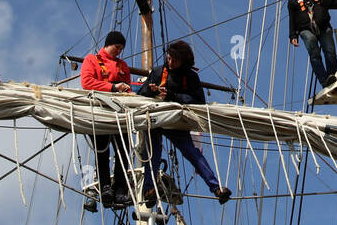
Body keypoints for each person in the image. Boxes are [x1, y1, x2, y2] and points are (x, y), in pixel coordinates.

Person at [138, 41, 231, 205]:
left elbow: (198, 101)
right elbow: (141, 93)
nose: (171, 63)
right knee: (152, 154)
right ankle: (149, 190)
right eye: (168, 58)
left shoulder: (190, 77)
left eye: (175, 60)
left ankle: (216, 188)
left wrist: (173, 96)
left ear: (183, 61)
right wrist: (150, 91)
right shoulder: (159, 71)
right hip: (155, 118)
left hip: (175, 121)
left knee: (193, 153)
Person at [82, 31, 134, 208]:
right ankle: (105, 186)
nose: (119, 51)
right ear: (109, 44)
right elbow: (87, 82)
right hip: (99, 111)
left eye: (121, 49)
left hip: (120, 113)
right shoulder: (92, 60)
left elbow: (127, 89)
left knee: (124, 151)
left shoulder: (123, 66)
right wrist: (112, 87)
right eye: (117, 47)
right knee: (102, 150)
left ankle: (120, 189)